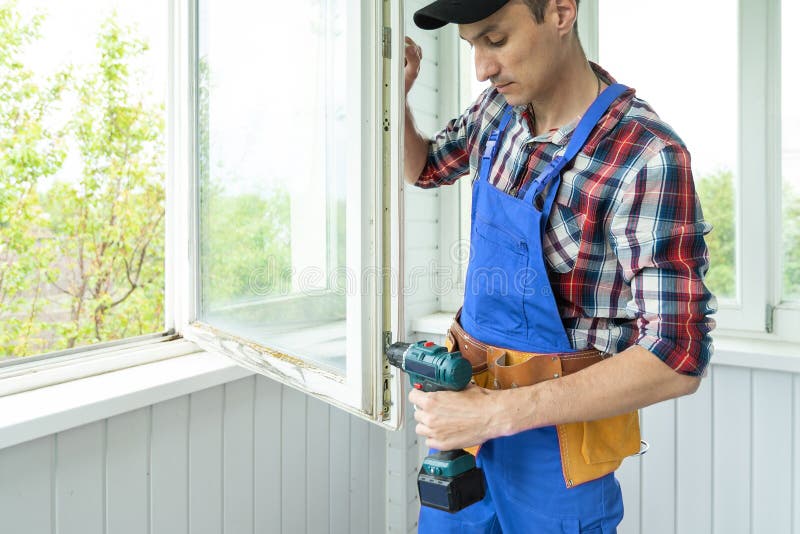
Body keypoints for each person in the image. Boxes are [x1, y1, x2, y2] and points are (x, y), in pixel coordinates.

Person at [404, 0, 717, 532]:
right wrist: (398, 93)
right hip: (467, 433)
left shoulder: (644, 155)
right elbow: (425, 166)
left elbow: (677, 356)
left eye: (496, 40)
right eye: (472, 45)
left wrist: (499, 412)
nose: (481, 67)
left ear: (561, 12)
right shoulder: (495, 114)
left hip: (558, 455)